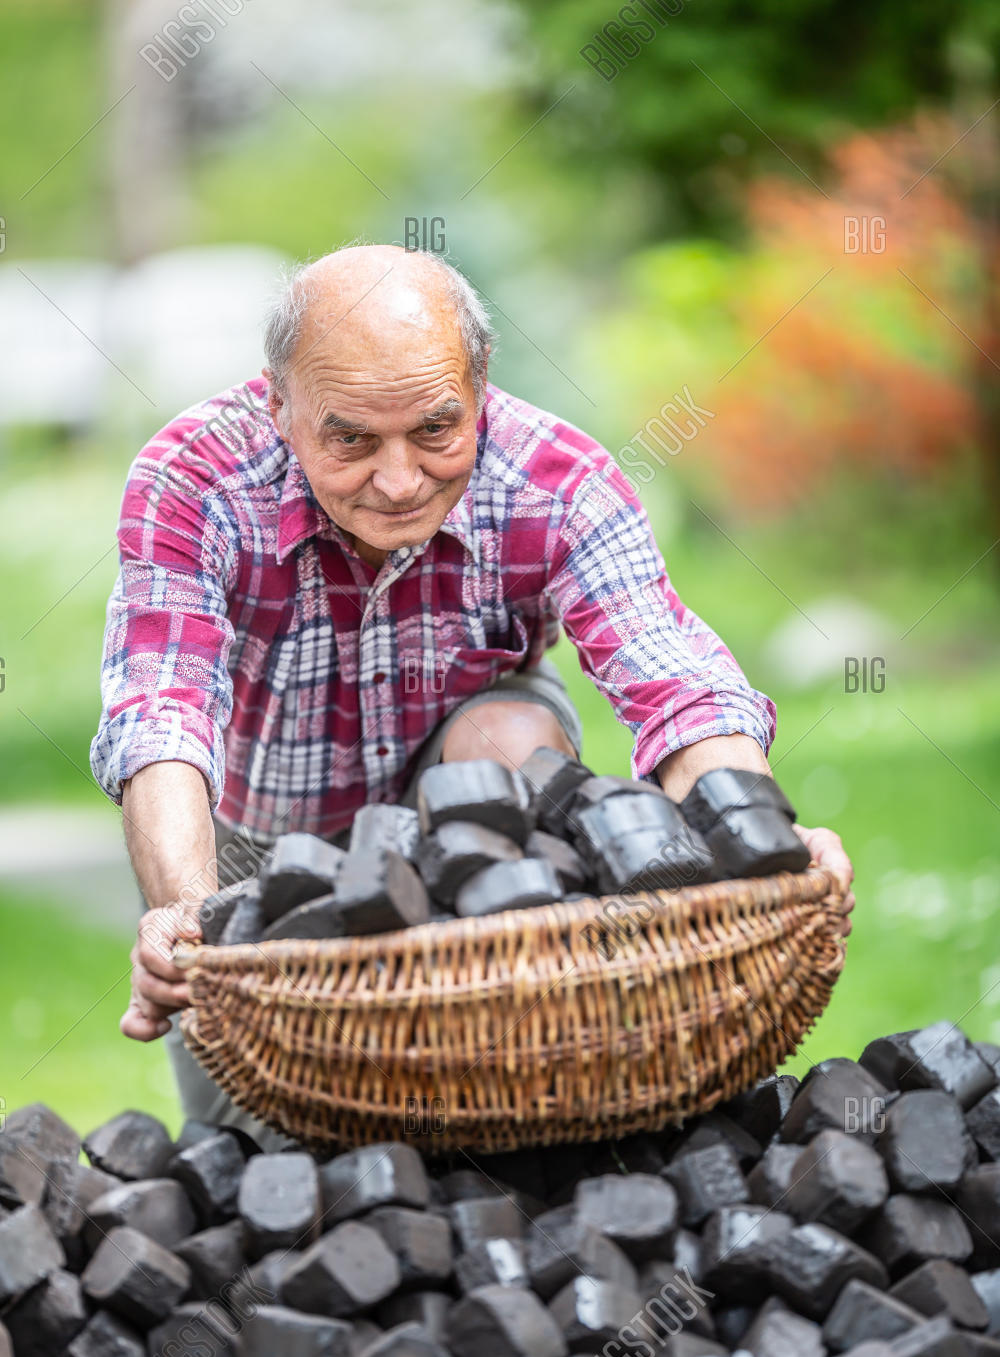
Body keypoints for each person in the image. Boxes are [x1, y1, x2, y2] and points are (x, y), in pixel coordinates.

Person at [91, 242, 854, 1142]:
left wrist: (758, 838)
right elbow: (163, 709)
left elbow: (677, 686)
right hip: (256, 839)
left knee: (509, 738)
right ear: (278, 406)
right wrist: (185, 911)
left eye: (434, 431)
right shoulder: (193, 480)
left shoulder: (559, 482)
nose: (399, 482)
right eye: (351, 440)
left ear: (480, 383)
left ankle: (533, 1030)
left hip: (473, 827)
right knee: (258, 1155)